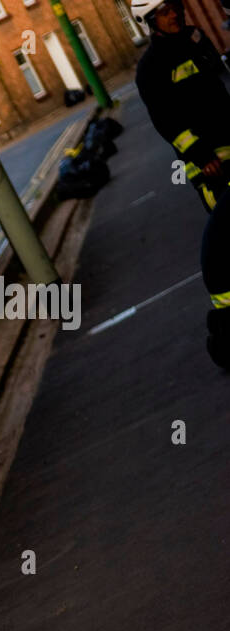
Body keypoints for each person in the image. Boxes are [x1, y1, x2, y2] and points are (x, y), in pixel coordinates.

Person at [131, 0, 230, 367]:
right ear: (149, 22)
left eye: (174, 6)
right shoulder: (151, 68)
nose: (174, 13)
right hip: (210, 167)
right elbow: (168, 123)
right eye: (164, 12)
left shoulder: (197, 42)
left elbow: (220, 93)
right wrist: (201, 156)